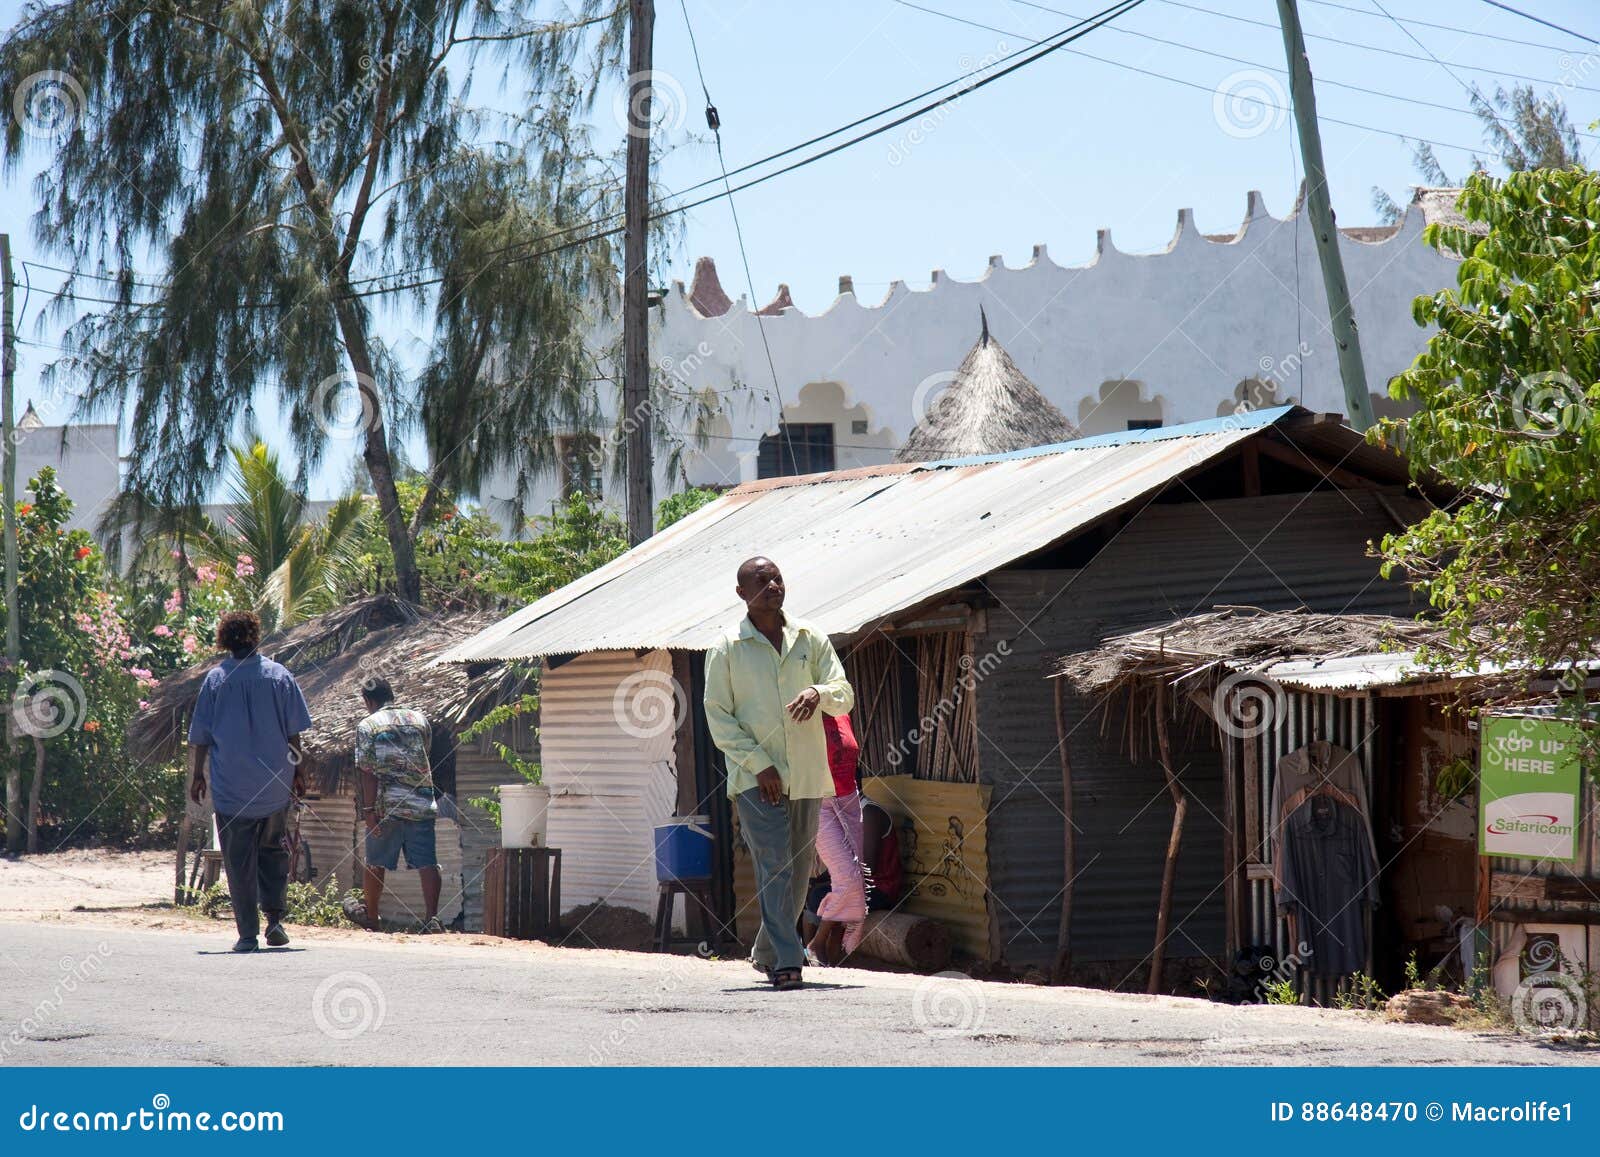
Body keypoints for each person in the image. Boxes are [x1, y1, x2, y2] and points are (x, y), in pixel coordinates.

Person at [704, 556, 854, 991]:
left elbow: (843, 695)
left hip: (806, 773)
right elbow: (718, 717)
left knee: (799, 866)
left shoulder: (811, 637)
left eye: (777, 578)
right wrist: (759, 764)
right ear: (741, 593)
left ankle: (767, 950)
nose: (772, 585)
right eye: (761, 580)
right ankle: (789, 960)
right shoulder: (727, 647)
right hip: (756, 778)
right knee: (775, 865)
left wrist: (817, 691)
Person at [187, 611, 313, 953]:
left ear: (224, 640)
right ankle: (274, 919)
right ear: (256, 637)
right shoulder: (279, 676)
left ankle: (247, 935)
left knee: (238, 860)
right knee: (273, 852)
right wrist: (298, 772)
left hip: (231, 789)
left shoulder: (215, 680)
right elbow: (293, 733)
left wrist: (198, 775)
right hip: (274, 784)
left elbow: (201, 736)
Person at [353, 677, 444, 933]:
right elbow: (425, 751)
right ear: (391, 695)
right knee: (427, 862)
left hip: (385, 807)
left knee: (375, 861)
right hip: (421, 803)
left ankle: (372, 917)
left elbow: (367, 772)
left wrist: (369, 811)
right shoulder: (419, 719)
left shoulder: (367, 725)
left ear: (368, 701)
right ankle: (432, 918)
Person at [806, 712, 868, 965]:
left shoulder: (843, 708)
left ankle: (832, 954)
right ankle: (816, 943)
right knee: (848, 876)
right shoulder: (800, 712)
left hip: (848, 797)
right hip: (817, 801)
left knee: (857, 876)